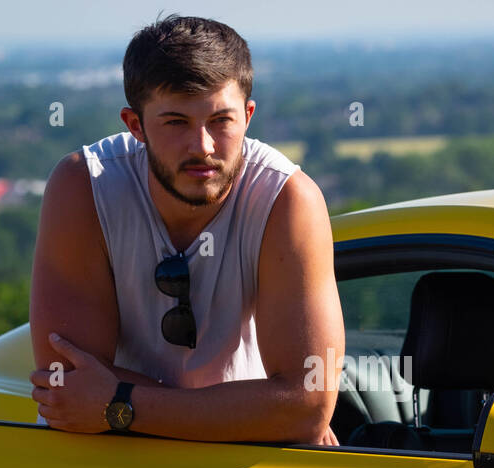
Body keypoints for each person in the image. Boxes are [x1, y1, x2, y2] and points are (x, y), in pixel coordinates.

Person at [29, 14, 343, 444]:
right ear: (135, 125)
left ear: (248, 116)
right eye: (176, 122)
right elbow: (66, 382)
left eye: (221, 121)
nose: (203, 147)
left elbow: (305, 405)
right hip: (107, 462)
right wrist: (258, 411)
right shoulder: (85, 185)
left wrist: (119, 403)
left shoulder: (287, 199)